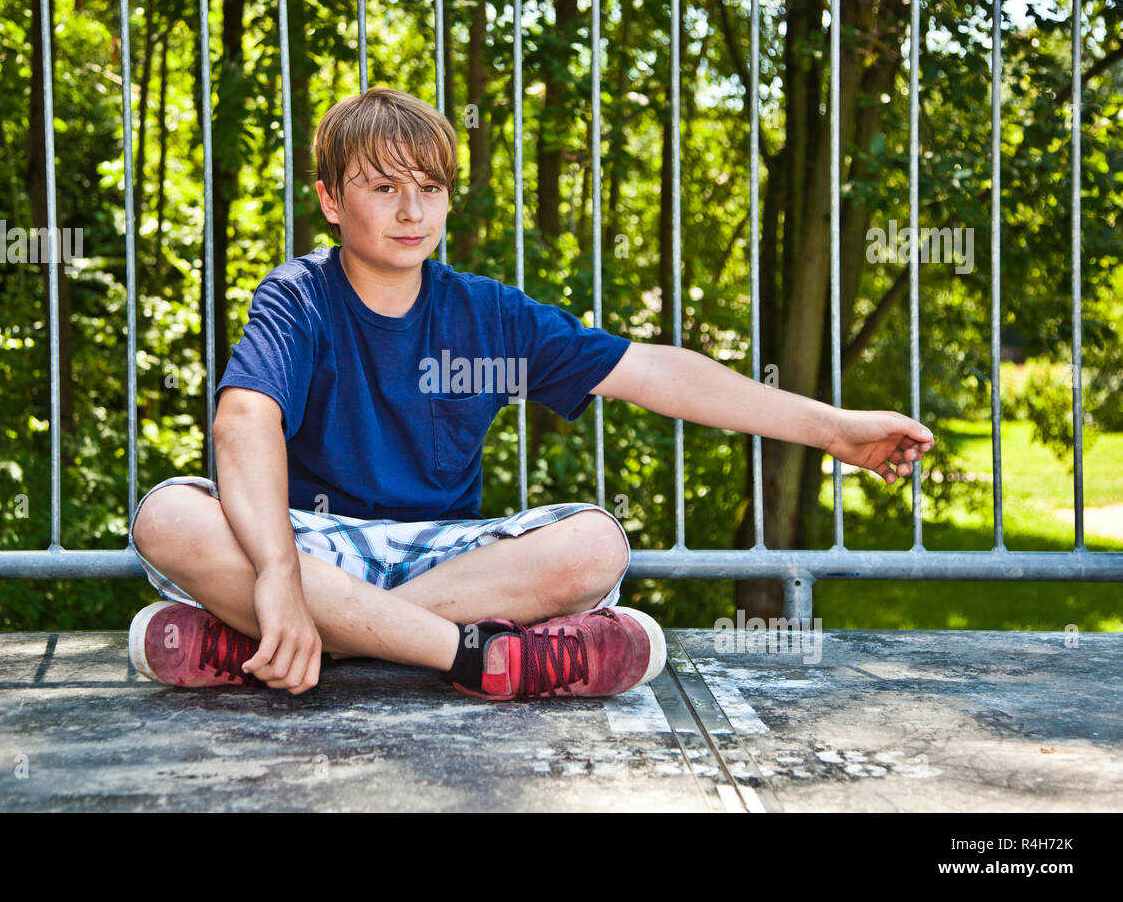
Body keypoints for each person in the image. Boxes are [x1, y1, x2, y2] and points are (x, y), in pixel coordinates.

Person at [126, 87, 934, 702]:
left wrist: (832, 428)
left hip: (441, 553)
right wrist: (275, 570)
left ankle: (296, 640)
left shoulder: (488, 313)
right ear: (332, 200)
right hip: (311, 547)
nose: (413, 212)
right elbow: (244, 418)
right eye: (382, 189)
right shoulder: (298, 294)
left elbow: (656, 372)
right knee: (168, 517)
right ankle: (470, 656)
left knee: (596, 546)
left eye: (430, 189)